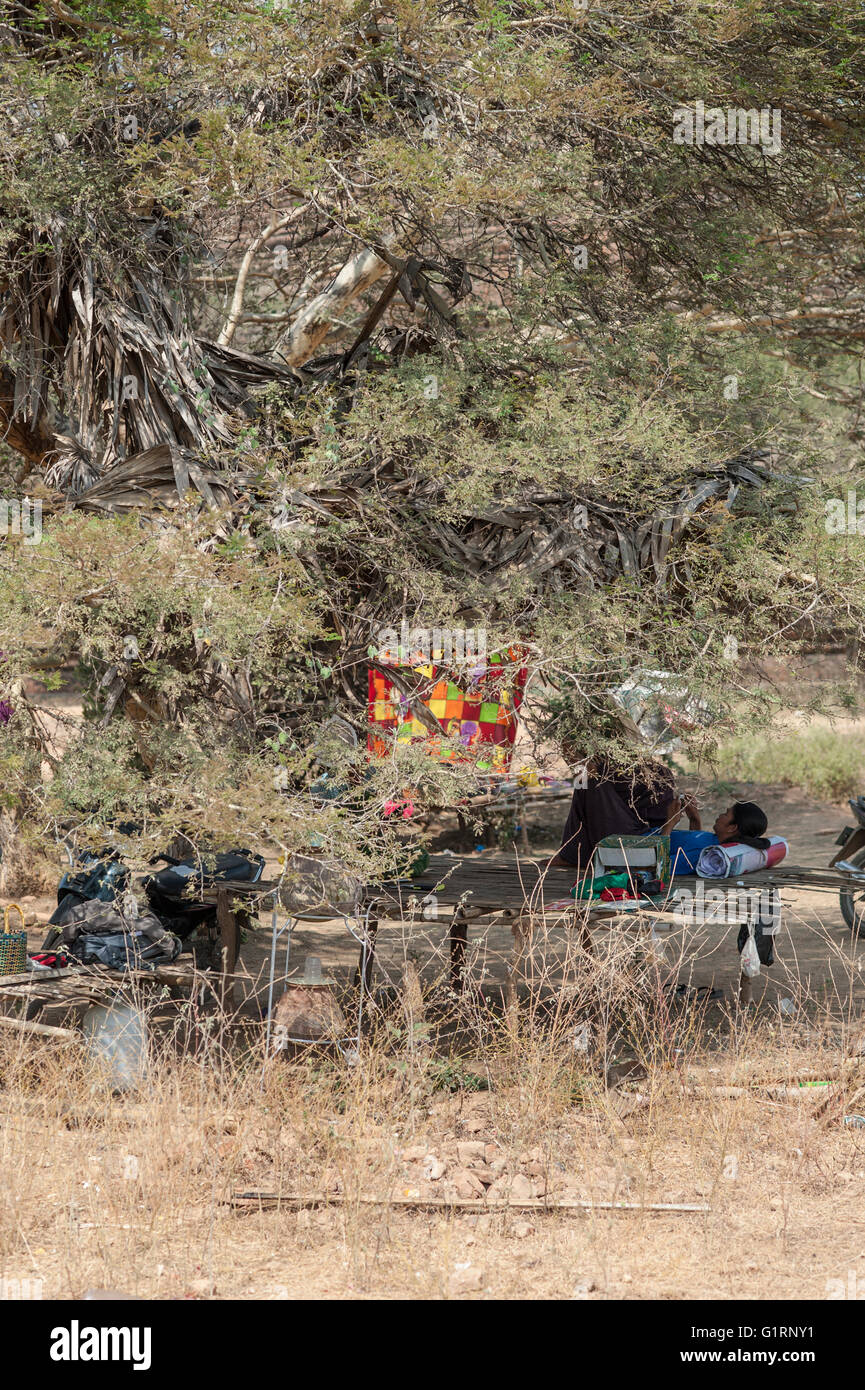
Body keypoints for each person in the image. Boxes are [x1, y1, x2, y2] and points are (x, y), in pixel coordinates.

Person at [549, 756, 700, 870]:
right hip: (647, 830)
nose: (722, 815)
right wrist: (694, 819)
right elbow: (694, 846)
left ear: (725, 831)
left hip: (631, 846)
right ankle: (574, 854)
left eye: (725, 817)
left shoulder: (716, 858)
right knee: (661, 775)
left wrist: (670, 823)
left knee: (592, 780)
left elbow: (658, 865)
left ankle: (572, 855)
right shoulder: (712, 843)